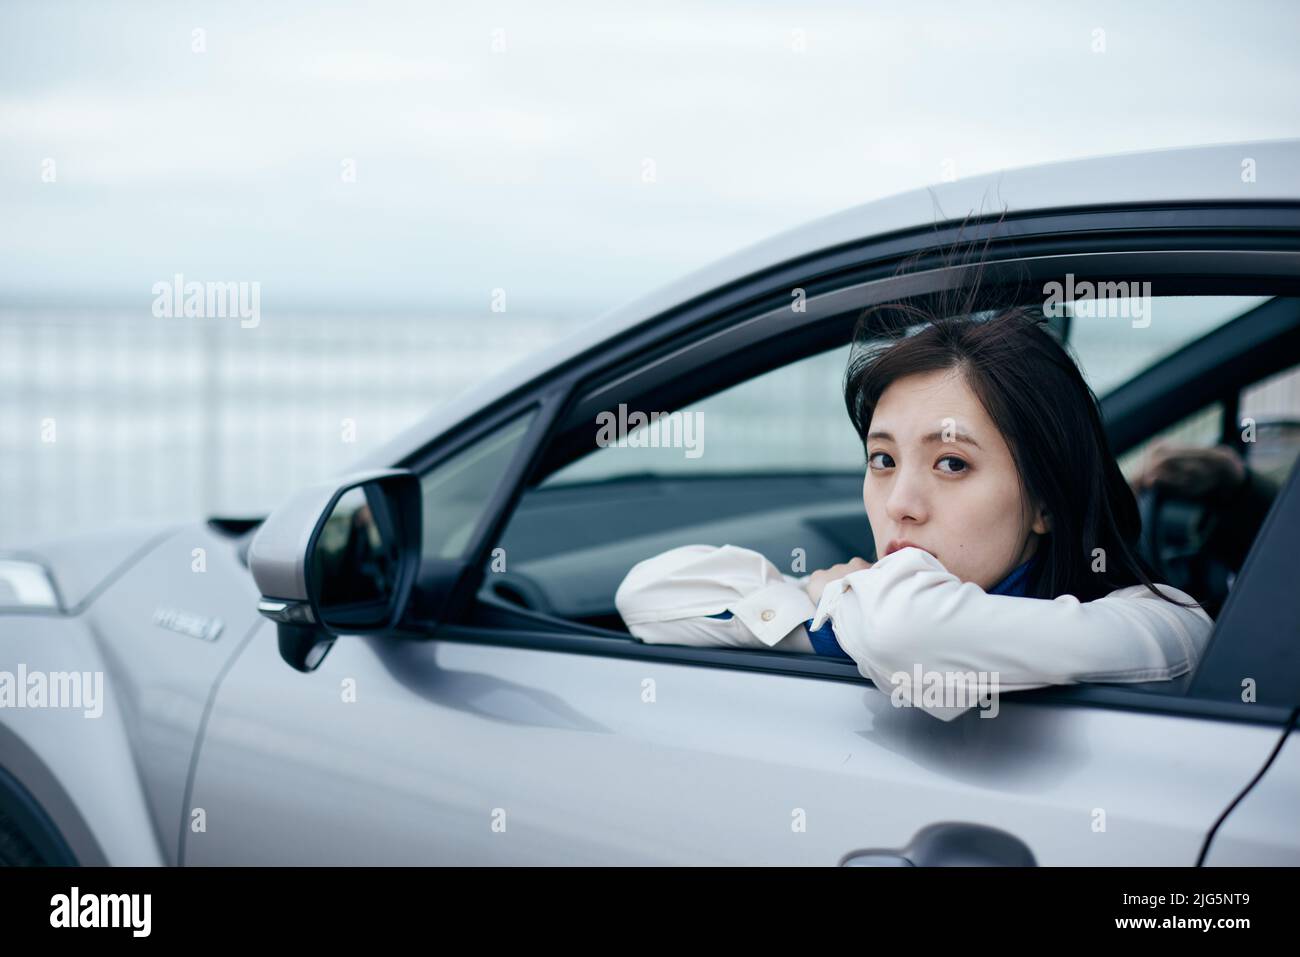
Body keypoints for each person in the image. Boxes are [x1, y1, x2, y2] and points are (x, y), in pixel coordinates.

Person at [615, 299, 1214, 721]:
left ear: (1045, 502)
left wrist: (831, 610)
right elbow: (648, 595)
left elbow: (906, 630)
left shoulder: (1166, 626)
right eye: (882, 460)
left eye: (951, 463)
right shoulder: (861, 599)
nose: (900, 504)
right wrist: (815, 608)